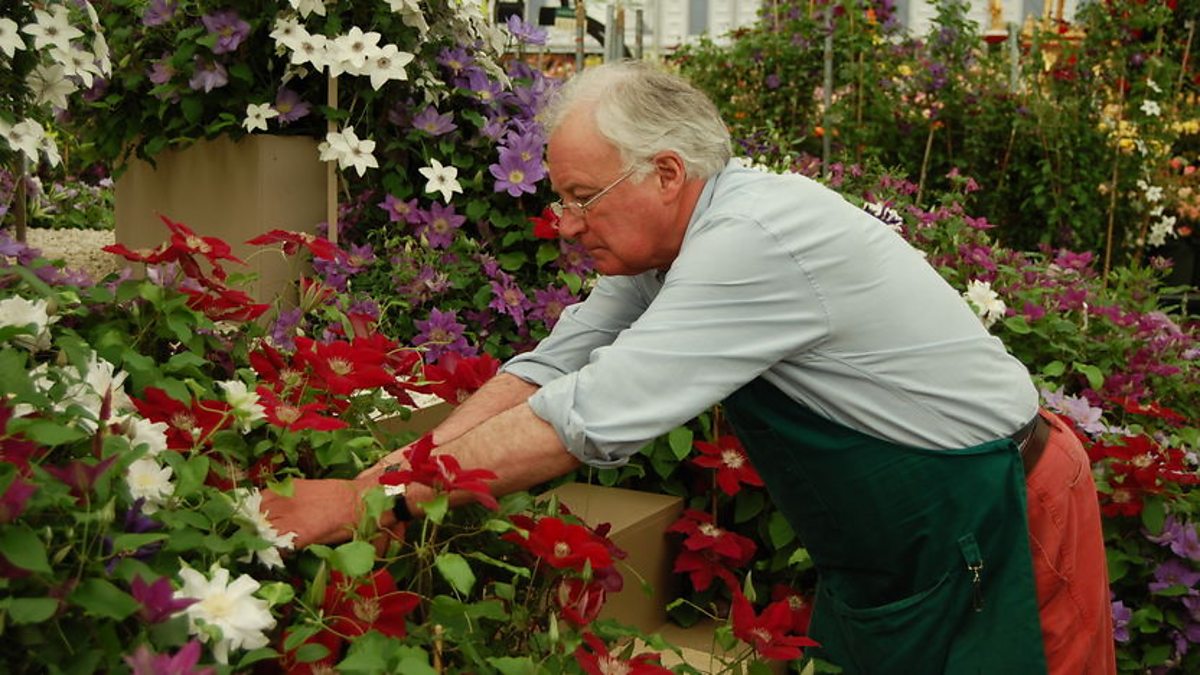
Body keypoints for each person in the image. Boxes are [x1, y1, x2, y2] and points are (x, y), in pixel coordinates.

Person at [263, 61, 1115, 674]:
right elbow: (549, 366)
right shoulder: (672, 247)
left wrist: (362, 502)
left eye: (578, 197)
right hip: (903, 544)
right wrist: (385, 479)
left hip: (997, 517)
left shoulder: (749, 244)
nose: (560, 222)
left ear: (666, 174)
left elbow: (583, 418)